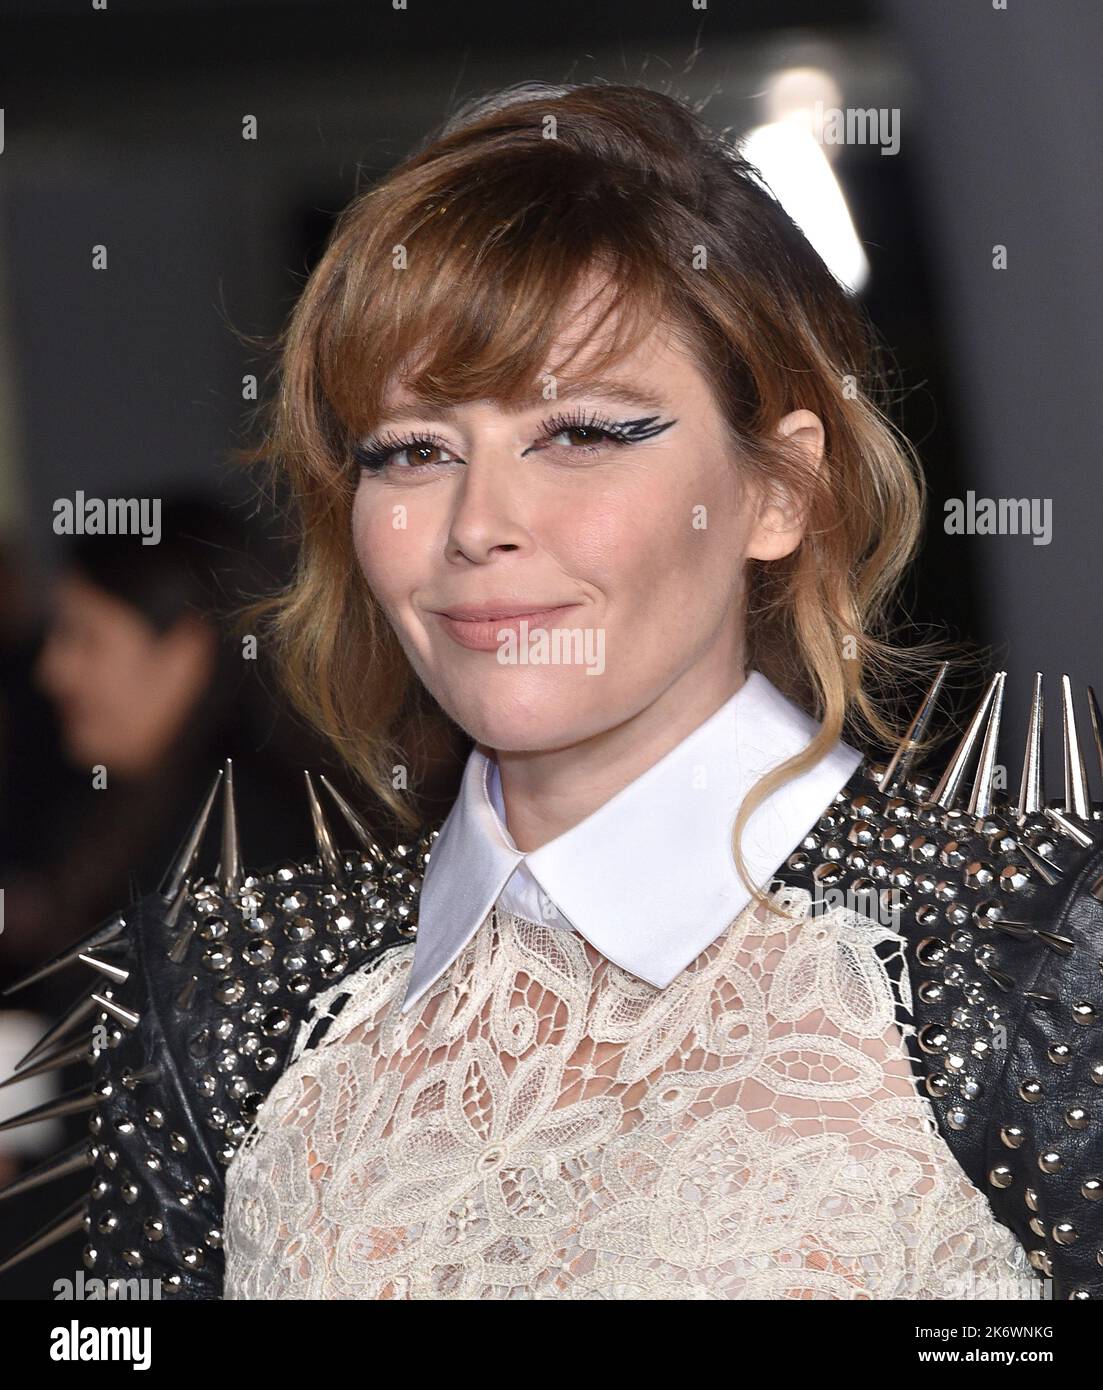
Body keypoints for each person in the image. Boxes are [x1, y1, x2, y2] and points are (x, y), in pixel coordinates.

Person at [2, 81, 1101, 1301]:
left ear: (779, 490)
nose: (478, 525)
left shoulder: (1029, 952)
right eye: (412, 449)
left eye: (578, 431)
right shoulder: (228, 993)